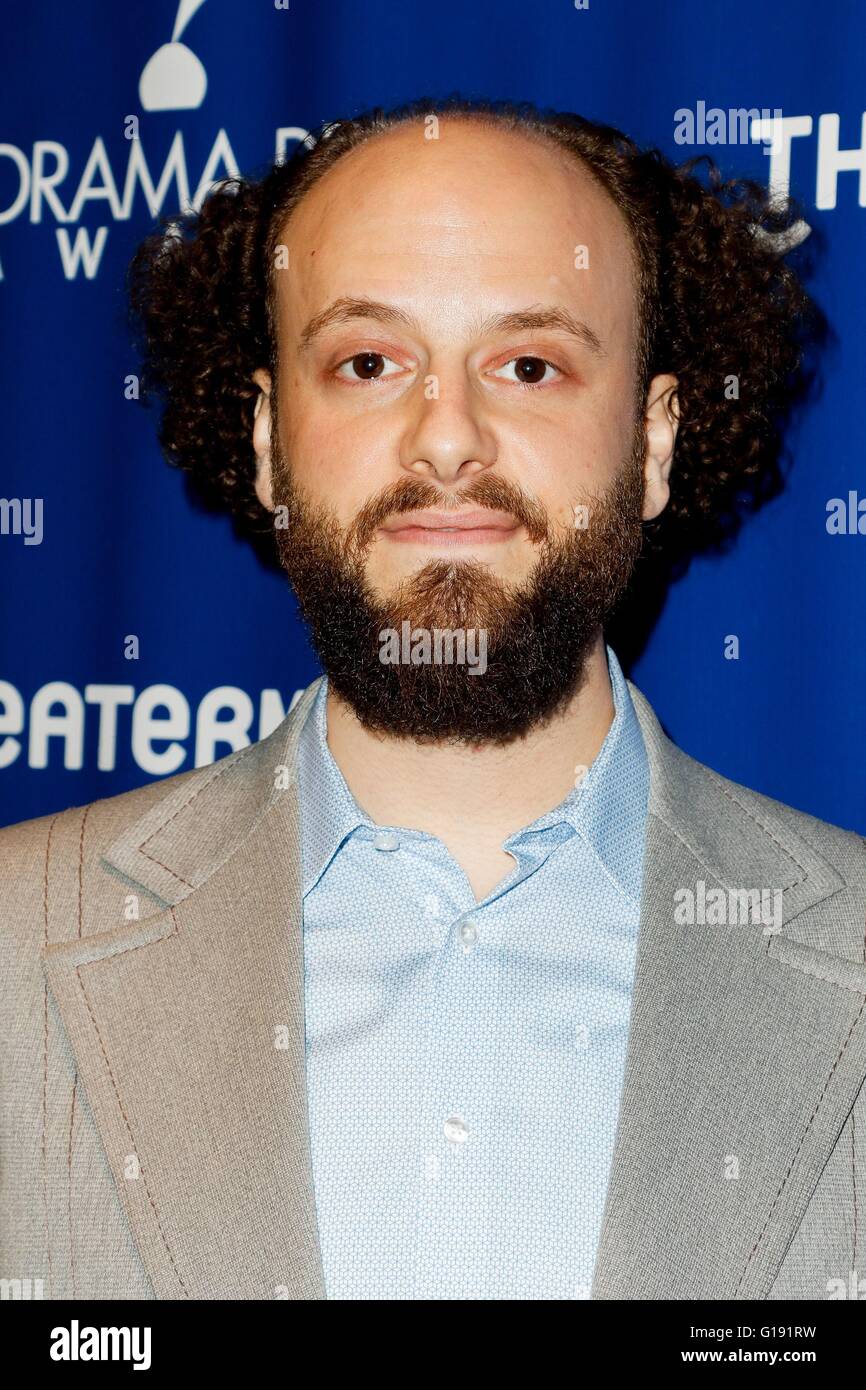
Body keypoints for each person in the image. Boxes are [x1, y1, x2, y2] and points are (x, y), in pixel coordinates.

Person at [2, 98, 864, 1302]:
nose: (446, 438)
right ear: (264, 440)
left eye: (527, 364)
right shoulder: (12, 943)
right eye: (367, 362)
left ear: (654, 441)